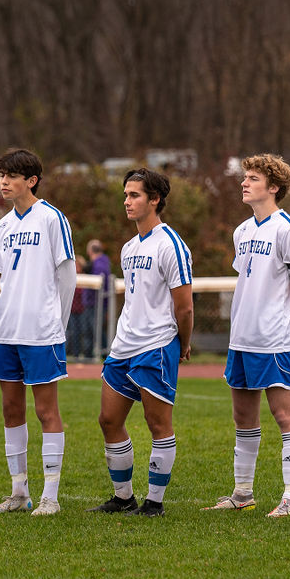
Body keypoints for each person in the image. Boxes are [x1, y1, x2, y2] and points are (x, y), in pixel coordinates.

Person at [205, 154, 290, 518]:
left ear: (274, 187)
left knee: (285, 414)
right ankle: (243, 494)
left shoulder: (287, 229)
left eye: (253, 178)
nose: (244, 182)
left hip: (274, 340)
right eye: (245, 177)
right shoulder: (242, 231)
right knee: (243, 416)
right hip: (242, 339)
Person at [93, 169, 193, 518]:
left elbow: (185, 306)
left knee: (157, 424)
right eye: (126, 194)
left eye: (134, 195)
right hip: (124, 346)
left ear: (155, 199)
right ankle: (123, 498)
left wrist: (183, 343)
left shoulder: (171, 245)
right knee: (108, 420)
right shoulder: (129, 247)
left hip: (156, 344)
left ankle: (154, 503)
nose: (127, 201)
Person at [0, 148, 75, 516]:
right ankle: (19, 493)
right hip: (8, 331)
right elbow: (7, 278)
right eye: (1, 175)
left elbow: (67, 276)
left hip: (42, 333)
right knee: (10, 408)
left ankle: (50, 497)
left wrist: (58, 325)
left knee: (46, 410)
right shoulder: (2, 226)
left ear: (31, 180)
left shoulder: (52, 218)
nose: (3, 182)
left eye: (11, 176)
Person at [87, 240, 113, 356]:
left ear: (90, 251)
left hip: (96, 302)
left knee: (96, 329)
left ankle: (105, 352)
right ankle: (103, 352)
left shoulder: (99, 264)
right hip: (98, 302)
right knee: (95, 328)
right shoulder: (103, 262)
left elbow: (99, 283)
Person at [65, 255, 91, 358]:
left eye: (78, 265)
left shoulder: (85, 278)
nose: (76, 268)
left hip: (82, 310)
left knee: (84, 331)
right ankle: (75, 354)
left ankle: (85, 354)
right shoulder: (71, 277)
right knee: (73, 332)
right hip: (72, 310)